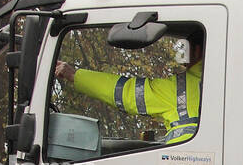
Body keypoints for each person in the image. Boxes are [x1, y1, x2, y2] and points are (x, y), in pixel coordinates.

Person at [55, 33, 204, 144]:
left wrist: (74, 75)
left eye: (184, 52)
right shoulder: (225, 81)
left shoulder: (181, 88)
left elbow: (126, 93)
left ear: (196, 50)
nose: (183, 62)